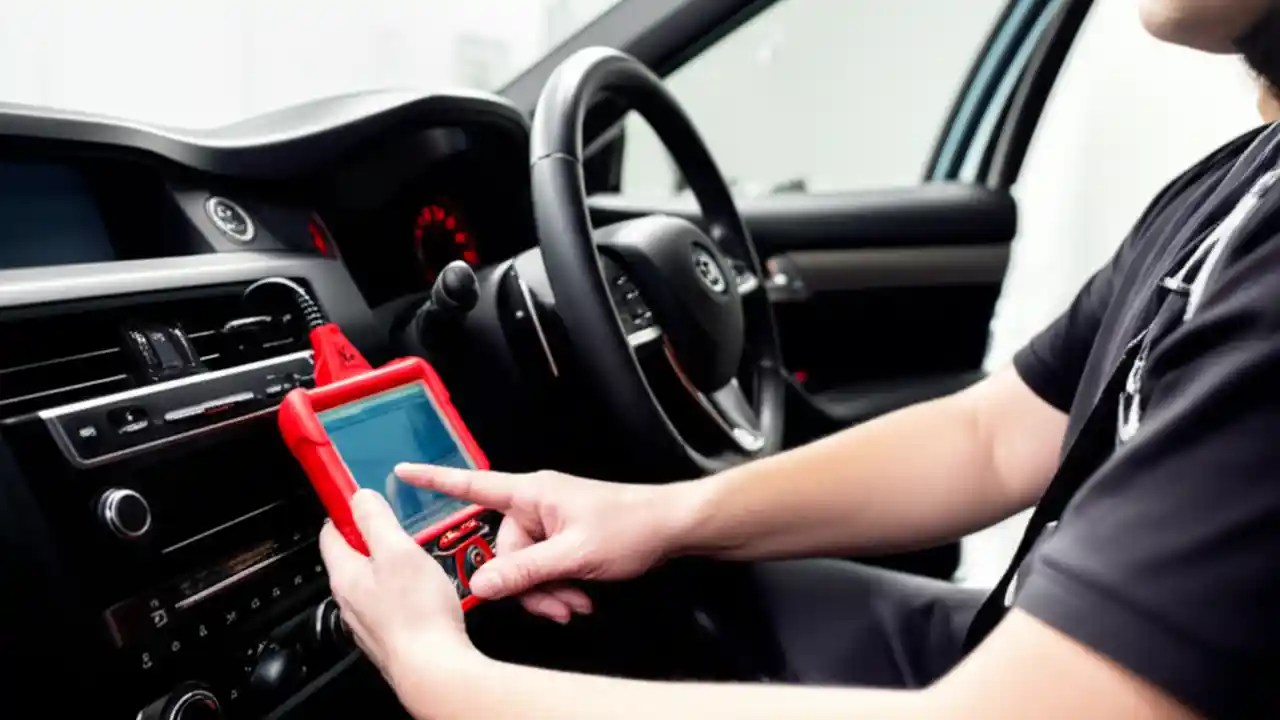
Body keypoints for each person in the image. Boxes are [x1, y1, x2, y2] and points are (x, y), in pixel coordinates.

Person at [319, 2, 1280, 717]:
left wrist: (444, 680)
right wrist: (659, 516)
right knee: (665, 596)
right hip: (1019, 649)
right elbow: (994, 436)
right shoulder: (1236, 185)